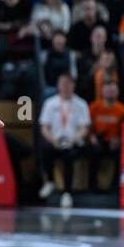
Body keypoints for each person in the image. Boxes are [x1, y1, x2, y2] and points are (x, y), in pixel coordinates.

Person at [38, 73, 90, 207]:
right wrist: (52, 140)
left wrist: (74, 139)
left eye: (68, 83)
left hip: (73, 142)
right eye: (62, 84)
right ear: (58, 85)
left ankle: (67, 193)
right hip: (55, 140)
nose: (65, 87)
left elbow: (84, 128)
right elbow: (44, 126)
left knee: (69, 156)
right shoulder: (50, 103)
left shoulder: (81, 104)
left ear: (73, 85)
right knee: (44, 149)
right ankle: (49, 182)